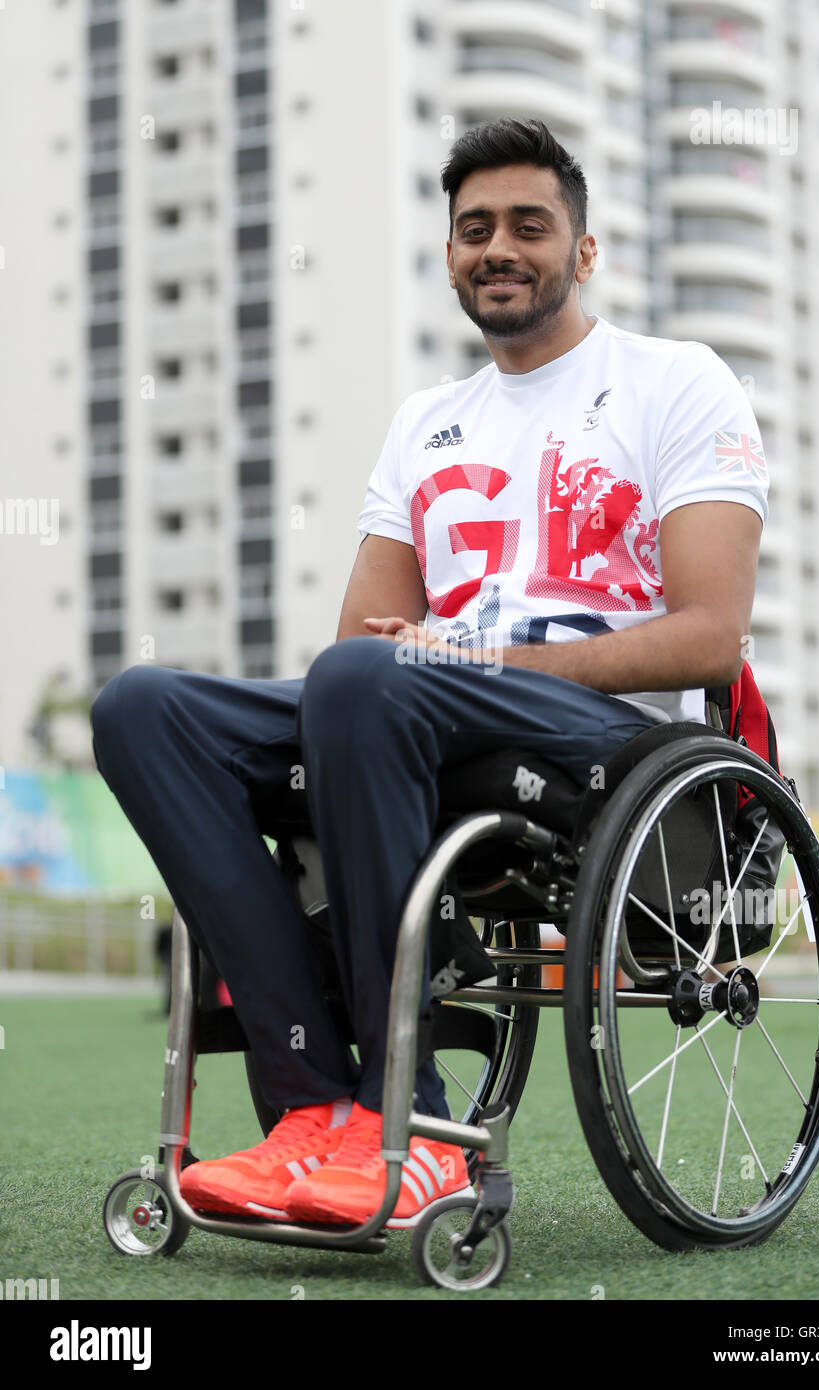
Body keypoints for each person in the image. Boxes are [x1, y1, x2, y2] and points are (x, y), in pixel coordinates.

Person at [89, 117, 768, 1229]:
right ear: (450, 254)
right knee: (145, 709)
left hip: (608, 737)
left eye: (528, 226)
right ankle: (312, 1107)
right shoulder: (426, 422)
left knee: (370, 682)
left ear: (584, 252)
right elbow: (359, 645)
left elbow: (707, 637)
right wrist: (419, 664)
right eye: (473, 230)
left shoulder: (677, 383)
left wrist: (477, 657)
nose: (498, 247)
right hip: (418, 711)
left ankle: (412, 1125)